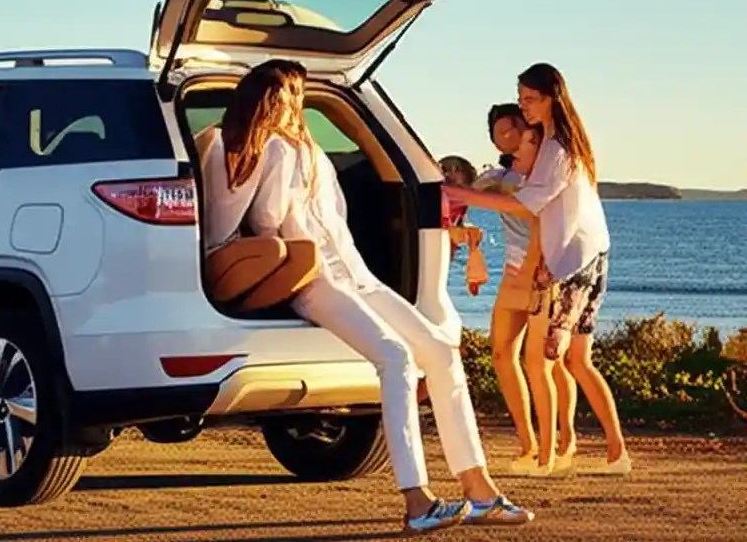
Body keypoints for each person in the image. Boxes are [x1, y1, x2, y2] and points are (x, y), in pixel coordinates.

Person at [200, 60, 533, 533]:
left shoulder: (308, 151)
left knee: (440, 349)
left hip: (358, 275)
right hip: (316, 283)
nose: (301, 101)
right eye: (297, 93)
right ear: (286, 98)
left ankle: (479, 490)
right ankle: (417, 501)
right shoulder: (272, 151)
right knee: (396, 357)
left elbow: (326, 216)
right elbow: (268, 220)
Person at [446, 62, 630, 475]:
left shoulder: (556, 147)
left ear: (552, 99)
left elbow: (526, 203)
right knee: (577, 361)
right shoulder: (562, 143)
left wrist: (455, 192)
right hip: (592, 256)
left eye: (530, 99)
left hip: (570, 265)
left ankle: (548, 458)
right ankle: (616, 454)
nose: (524, 106)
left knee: (541, 361)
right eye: (521, 98)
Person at [474, 119, 577, 475]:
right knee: (502, 353)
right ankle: (528, 444)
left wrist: (534, 272)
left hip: (543, 274)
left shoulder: (545, 176)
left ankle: (560, 443)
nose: (507, 139)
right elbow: (467, 190)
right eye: (498, 134)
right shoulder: (502, 177)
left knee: (547, 364)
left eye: (512, 131)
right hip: (512, 273)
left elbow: (542, 224)